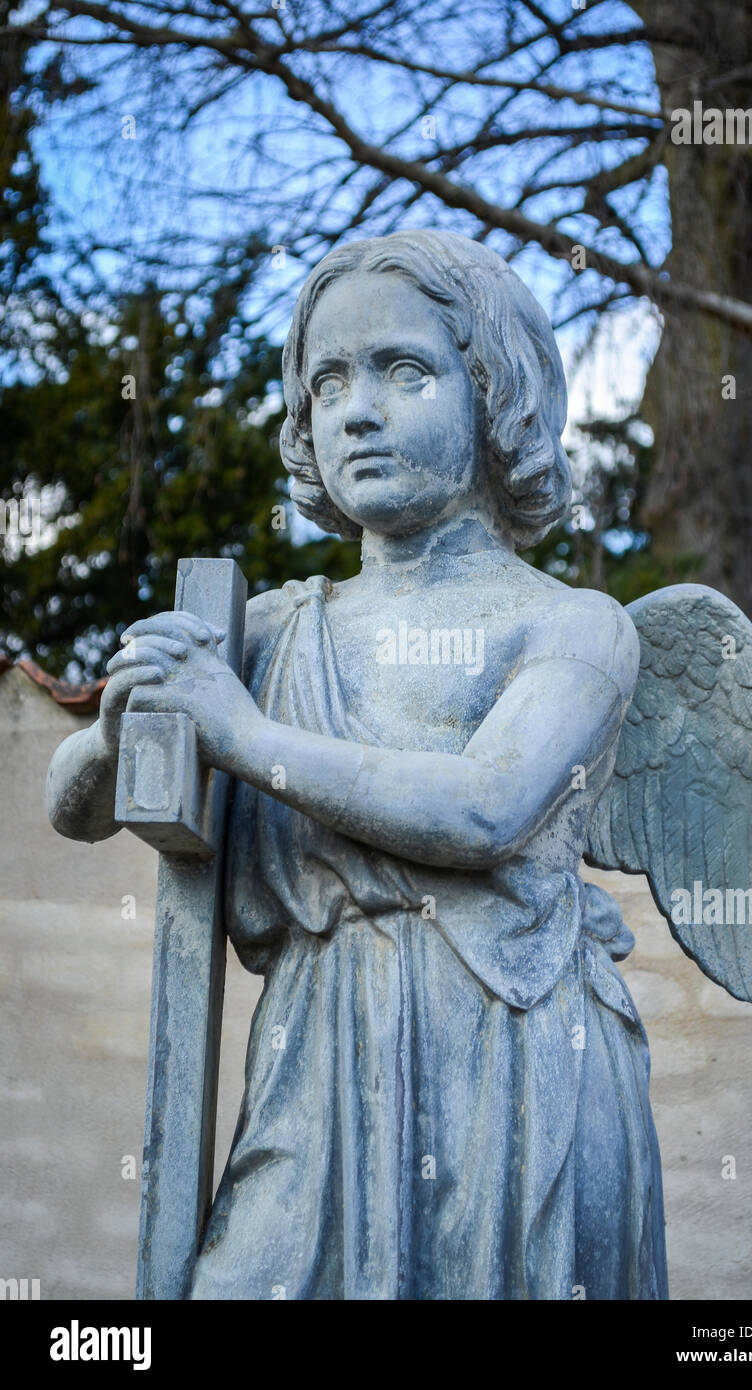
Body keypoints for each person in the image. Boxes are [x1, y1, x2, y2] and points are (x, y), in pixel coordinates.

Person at [47, 230, 666, 1300]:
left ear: (496, 396)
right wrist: (123, 727)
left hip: (514, 1063)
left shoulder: (575, 628)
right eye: (327, 380)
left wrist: (237, 734)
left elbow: (487, 808)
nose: (357, 409)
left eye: (404, 370)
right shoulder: (272, 631)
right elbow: (74, 806)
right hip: (316, 1056)